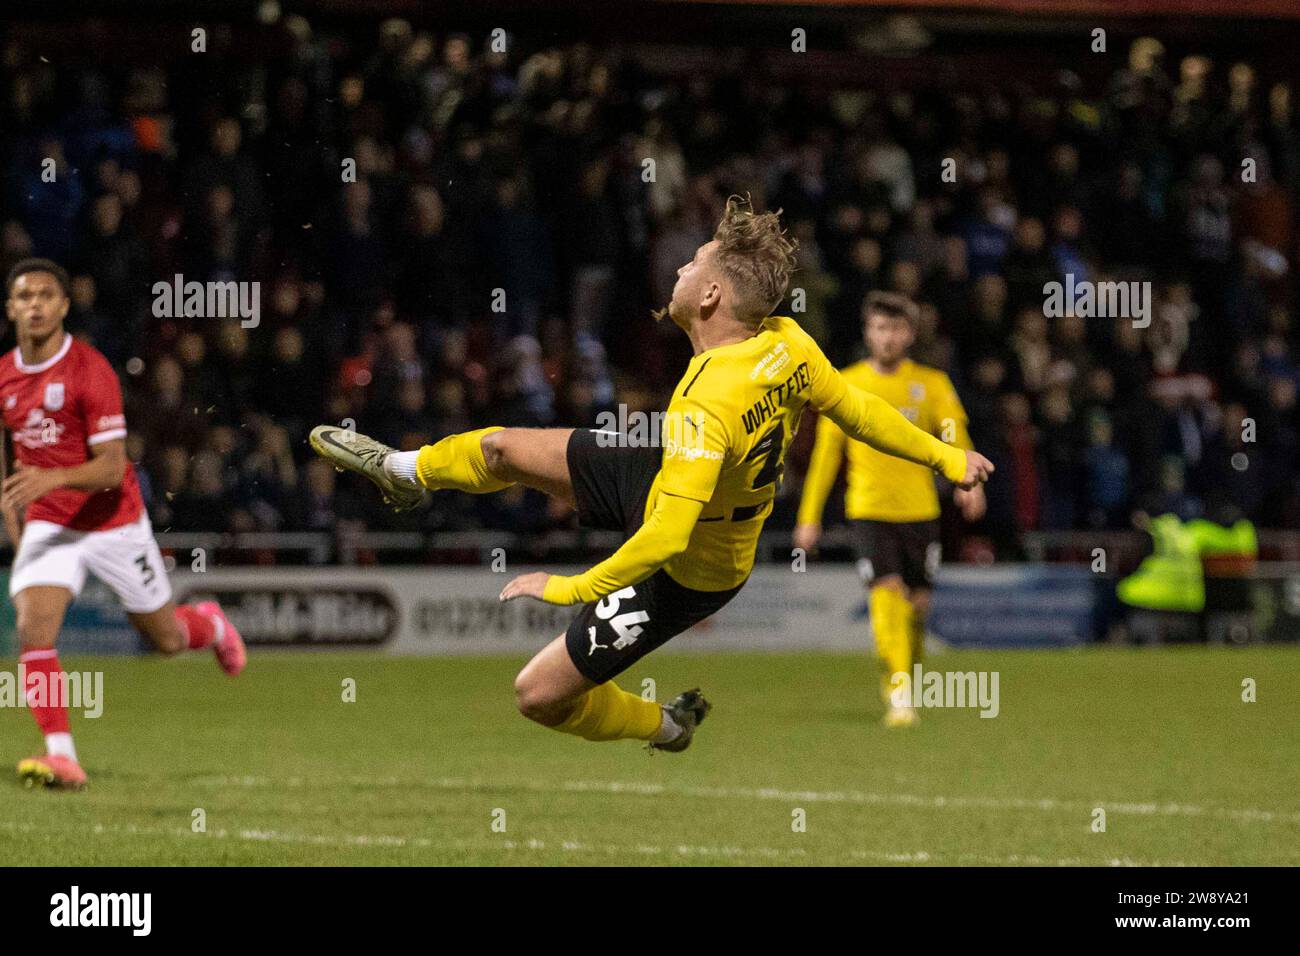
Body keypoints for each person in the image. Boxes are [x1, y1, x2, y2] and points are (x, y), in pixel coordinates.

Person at [311, 198, 993, 753]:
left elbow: (667, 536)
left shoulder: (709, 401)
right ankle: (403, 470)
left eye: (691, 265)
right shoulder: (788, 341)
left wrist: (573, 586)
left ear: (711, 295)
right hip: (667, 469)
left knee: (538, 695)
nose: (677, 271)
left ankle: (667, 724)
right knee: (499, 450)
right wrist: (946, 456)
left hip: (693, 567)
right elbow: (860, 410)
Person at [2, 258, 246, 790]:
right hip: (51, 524)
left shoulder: (91, 370)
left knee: (166, 639)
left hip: (114, 521)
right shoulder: (4, 376)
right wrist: (12, 509)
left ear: (64, 306)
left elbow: (113, 467)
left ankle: (210, 623)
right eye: (25, 296)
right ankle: (61, 755)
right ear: (11, 308)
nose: (36, 304)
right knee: (32, 630)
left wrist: (48, 479)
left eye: (47, 295)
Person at [795, 292, 985, 727]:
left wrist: (967, 479)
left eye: (896, 329)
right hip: (868, 508)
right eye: (879, 328)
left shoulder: (932, 383)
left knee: (917, 605)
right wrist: (810, 517)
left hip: (920, 511)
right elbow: (827, 456)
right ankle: (898, 694)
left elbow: (954, 430)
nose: (887, 337)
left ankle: (907, 681)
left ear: (910, 334)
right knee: (887, 591)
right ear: (868, 332)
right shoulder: (845, 383)